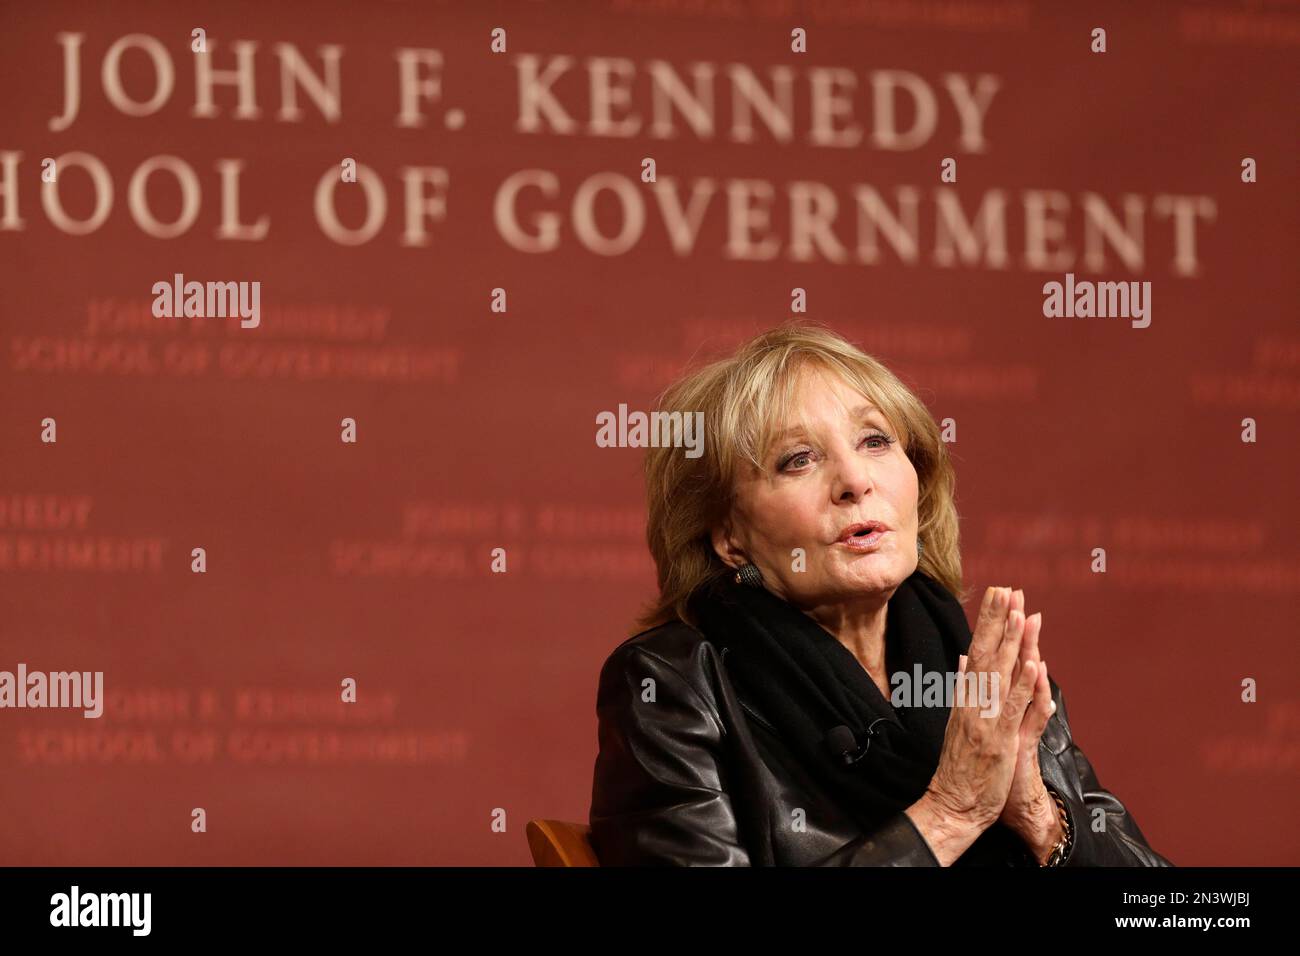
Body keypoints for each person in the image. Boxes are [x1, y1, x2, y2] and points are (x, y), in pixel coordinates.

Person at [588, 322, 1172, 866]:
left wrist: (1040, 818)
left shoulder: (985, 678)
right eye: (798, 460)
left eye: (874, 441)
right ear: (730, 537)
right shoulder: (673, 686)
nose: (855, 481)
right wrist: (949, 814)